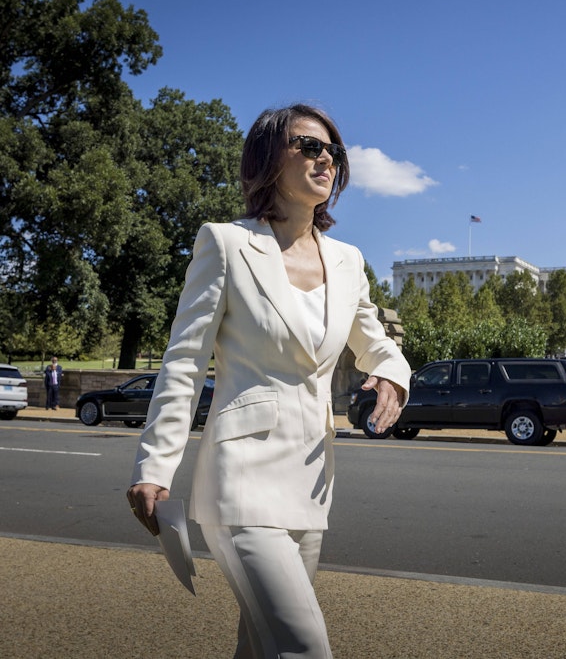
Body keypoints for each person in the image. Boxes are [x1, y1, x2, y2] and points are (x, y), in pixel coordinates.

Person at [126, 104, 411, 657]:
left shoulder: (348, 261)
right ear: (267, 158)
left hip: (310, 483)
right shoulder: (226, 243)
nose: (324, 157)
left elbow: (377, 344)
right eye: (308, 146)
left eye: (333, 150)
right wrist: (155, 465)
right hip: (242, 480)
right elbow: (183, 362)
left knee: (260, 649)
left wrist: (392, 376)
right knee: (304, 647)